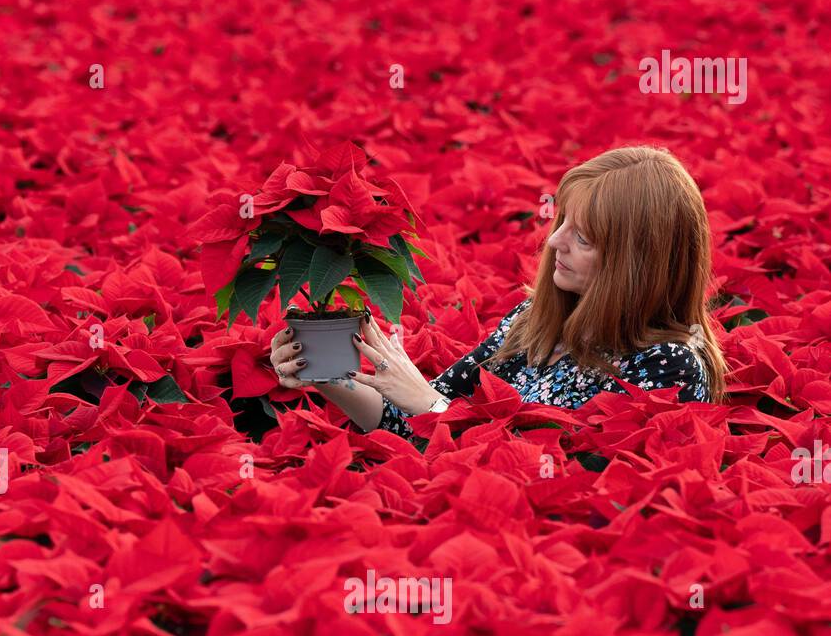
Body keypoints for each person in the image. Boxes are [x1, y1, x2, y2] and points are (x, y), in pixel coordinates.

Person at [269, 145, 726, 440]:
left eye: (582, 238)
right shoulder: (534, 322)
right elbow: (419, 424)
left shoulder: (669, 364)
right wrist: (327, 375)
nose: (554, 242)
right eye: (560, 221)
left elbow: (575, 483)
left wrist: (426, 401)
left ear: (637, 265)